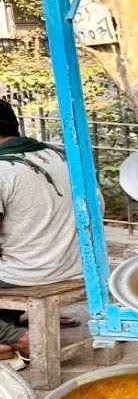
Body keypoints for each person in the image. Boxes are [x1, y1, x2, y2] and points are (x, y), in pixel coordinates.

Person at [0, 100, 83, 371]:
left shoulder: (3, 169)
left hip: (30, 275)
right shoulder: (62, 156)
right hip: (76, 268)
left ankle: (18, 338)